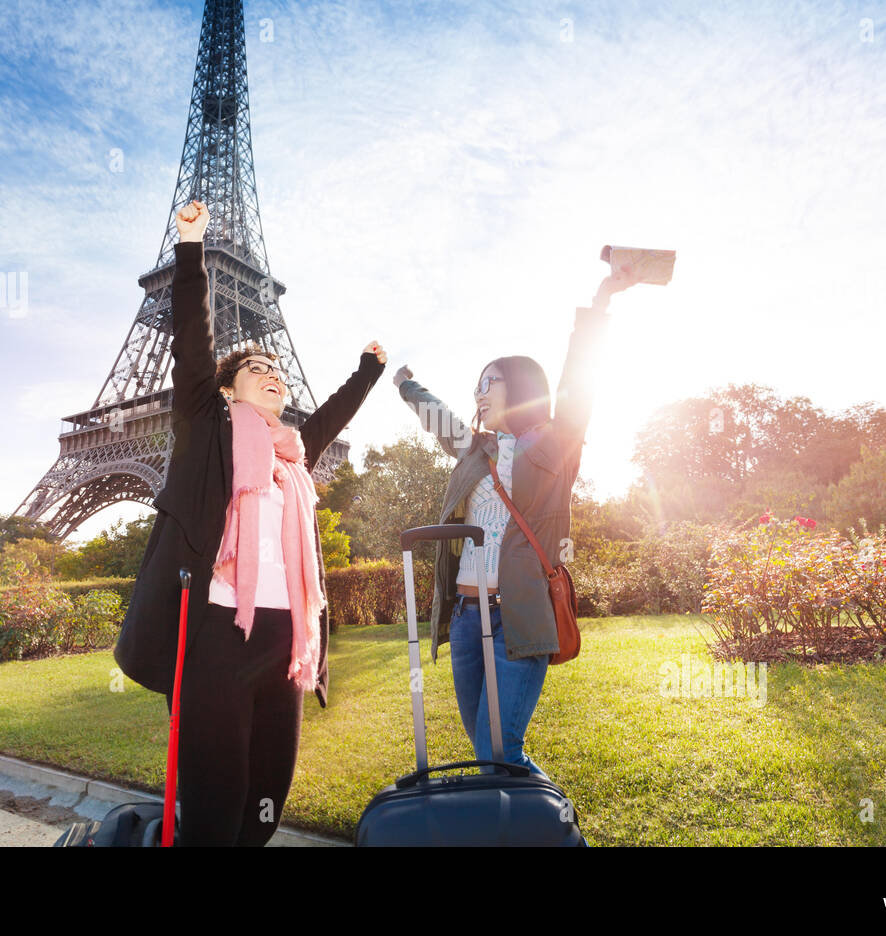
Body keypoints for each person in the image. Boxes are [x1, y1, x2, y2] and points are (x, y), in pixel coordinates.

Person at [115, 199, 387, 845]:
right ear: (228, 389)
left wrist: (368, 371)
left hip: (286, 640)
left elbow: (330, 419)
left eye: (277, 372)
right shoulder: (207, 430)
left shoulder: (293, 454)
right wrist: (190, 247)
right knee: (215, 798)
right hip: (214, 635)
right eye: (256, 370)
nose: (273, 376)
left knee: (267, 792)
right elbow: (191, 337)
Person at [394, 264, 637, 780]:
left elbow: (578, 384)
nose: (480, 391)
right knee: (491, 753)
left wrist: (601, 302)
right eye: (476, 384)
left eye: (491, 382)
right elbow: (435, 413)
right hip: (465, 617)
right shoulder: (474, 448)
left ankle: (557, 828)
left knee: (498, 751)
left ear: (521, 387)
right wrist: (407, 387)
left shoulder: (555, 443)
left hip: (516, 615)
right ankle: (534, 824)